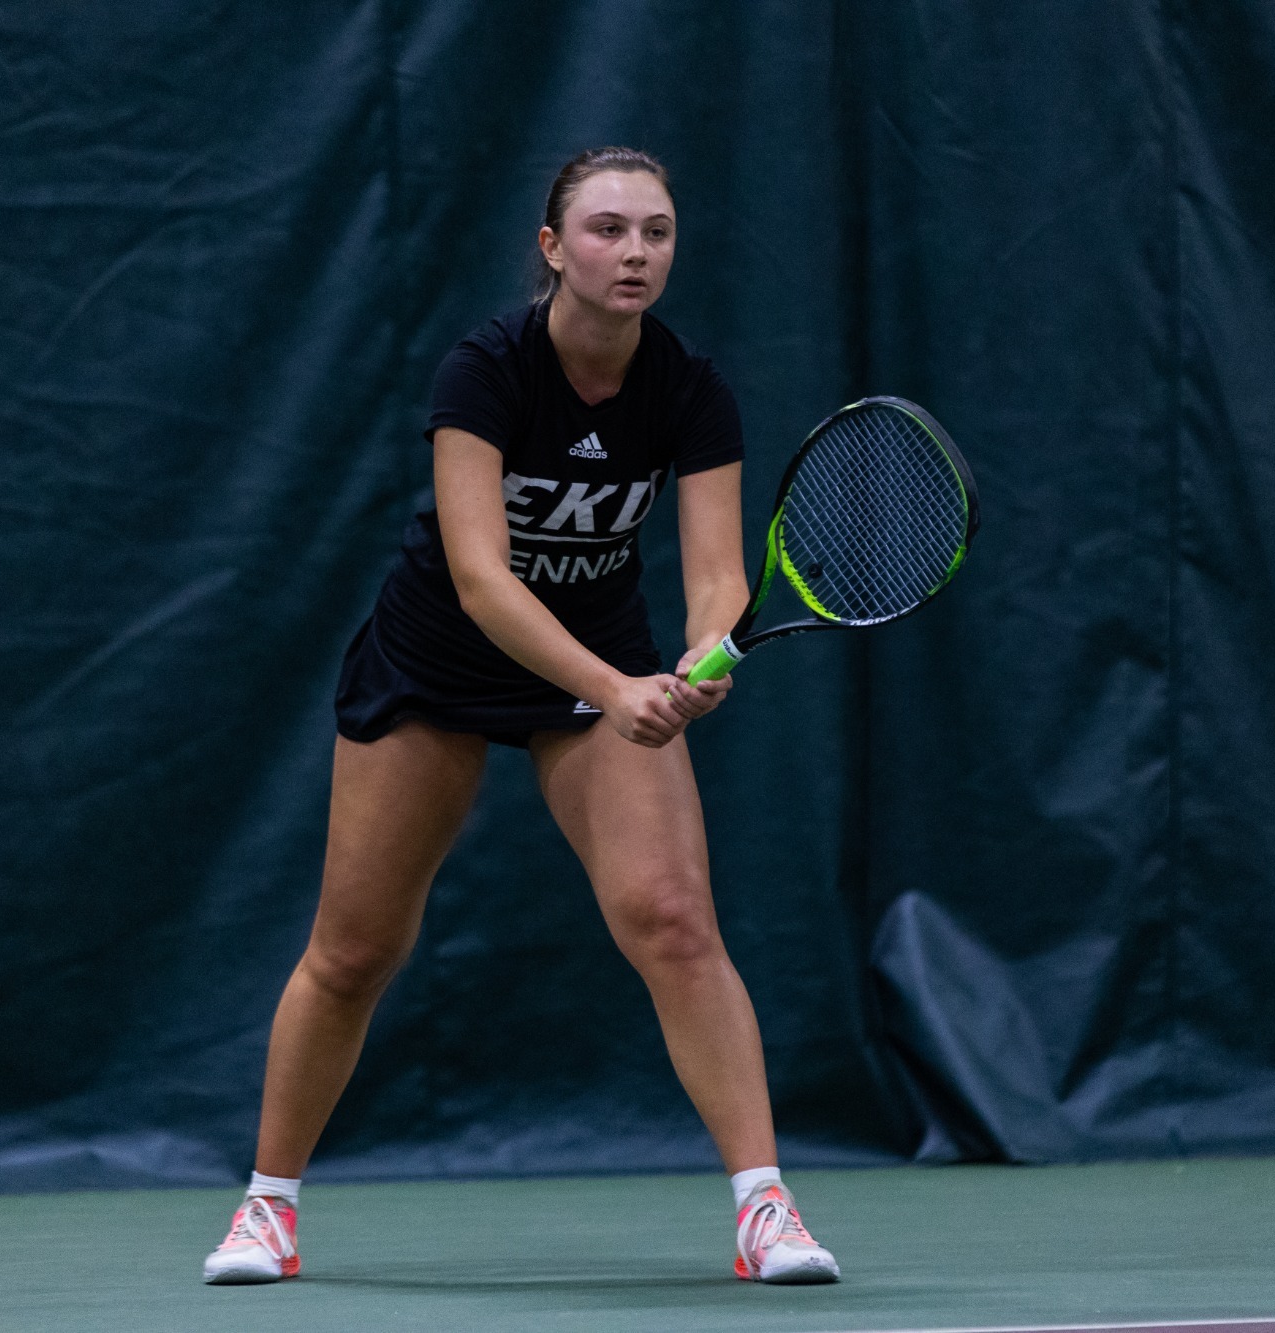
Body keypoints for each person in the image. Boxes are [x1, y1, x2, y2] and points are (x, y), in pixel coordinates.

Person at [201, 147, 839, 1287]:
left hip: (599, 672)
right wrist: (611, 684)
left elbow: (711, 574)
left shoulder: (691, 390)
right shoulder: (484, 370)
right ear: (552, 249)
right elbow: (482, 577)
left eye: (654, 231)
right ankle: (267, 1207)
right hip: (437, 661)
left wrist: (699, 656)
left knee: (674, 918)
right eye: (605, 229)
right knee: (353, 950)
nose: (633, 251)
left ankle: (764, 1210)